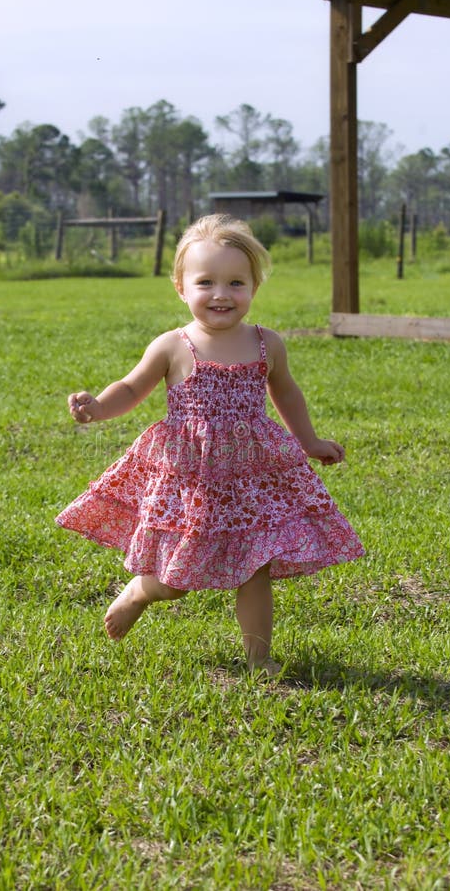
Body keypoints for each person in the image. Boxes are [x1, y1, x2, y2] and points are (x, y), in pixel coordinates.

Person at [56, 214, 364, 675]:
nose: (221, 294)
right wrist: (98, 406)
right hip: (191, 475)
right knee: (177, 581)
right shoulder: (173, 345)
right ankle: (142, 590)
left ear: (254, 287)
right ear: (181, 287)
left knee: (256, 564)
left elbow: (287, 394)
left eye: (236, 282)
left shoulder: (267, 343)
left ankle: (260, 660)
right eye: (206, 283)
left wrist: (309, 441)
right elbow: (131, 387)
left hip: (252, 475)